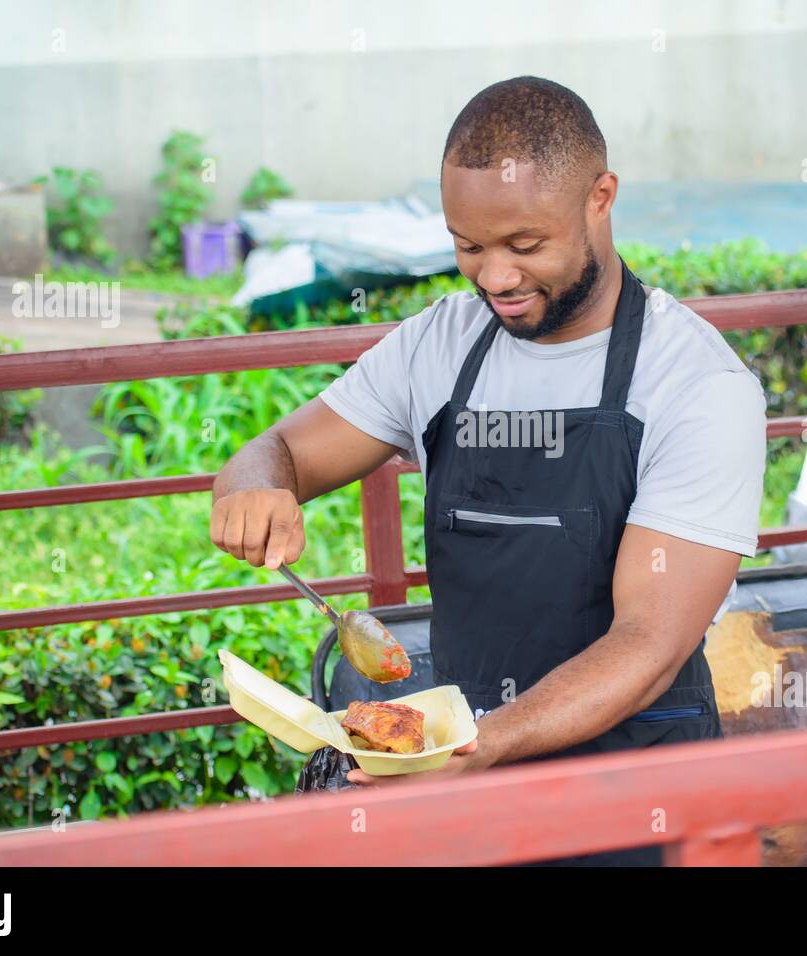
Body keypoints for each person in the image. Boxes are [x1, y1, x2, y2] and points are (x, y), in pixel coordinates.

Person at [210, 76, 767, 865]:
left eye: (525, 246)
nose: (495, 279)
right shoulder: (438, 344)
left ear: (600, 198)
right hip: (473, 782)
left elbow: (649, 644)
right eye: (469, 246)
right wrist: (253, 488)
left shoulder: (696, 383)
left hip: (640, 795)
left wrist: (479, 748)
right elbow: (282, 450)